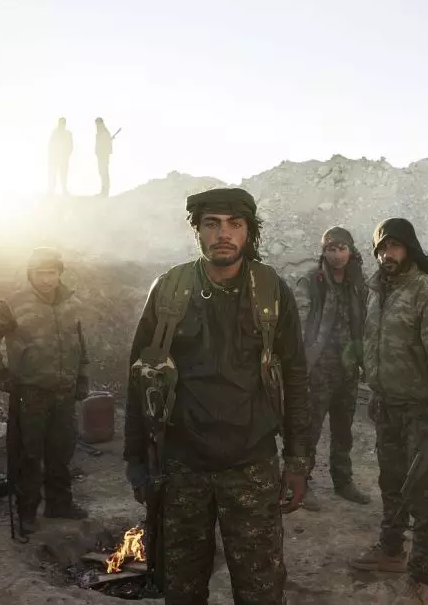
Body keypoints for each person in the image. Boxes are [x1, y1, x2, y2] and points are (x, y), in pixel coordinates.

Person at [124, 187, 311, 604]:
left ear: (249, 232)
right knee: (182, 588)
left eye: (234, 224)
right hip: (182, 467)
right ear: (197, 231)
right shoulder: (170, 290)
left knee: (260, 588)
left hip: (251, 466)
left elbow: (296, 377)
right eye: (212, 224)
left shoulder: (271, 290)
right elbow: (139, 376)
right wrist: (136, 459)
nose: (223, 234)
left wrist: (298, 461)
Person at [348, 218, 428, 605]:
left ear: (409, 248)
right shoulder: (376, 291)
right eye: (380, 248)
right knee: (391, 482)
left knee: (426, 495)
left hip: (422, 412)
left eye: (393, 246)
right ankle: (391, 549)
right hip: (387, 406)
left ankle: (422, 573)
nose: (385, 254)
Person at [0, 247, 91, 533]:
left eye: (51, 272)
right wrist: (2, 372)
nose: (46, 279)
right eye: (40, 273)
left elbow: (79, 343)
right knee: (28, 454)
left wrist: (82, 378)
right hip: (30, 392)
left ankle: (59, 504)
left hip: (63, 392)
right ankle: (27, 512)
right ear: (31, 274)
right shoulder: (14, 304)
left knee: (61, 450)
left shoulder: (70, 303)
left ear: (59, 273)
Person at [294, 226, 370, 511]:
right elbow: (299, 326)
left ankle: (343, 481)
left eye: (341, 248)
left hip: (348, 368)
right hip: (318, 369)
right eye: (330, 249)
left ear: (351, 251)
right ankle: (301, 483)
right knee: (309, 430)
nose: (336, 255)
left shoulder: (358, 282)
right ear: (323, 251)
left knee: (343, 429)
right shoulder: (311, 282)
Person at [48, 117, 73, 195]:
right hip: (56, 157)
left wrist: (67, 154)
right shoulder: (56, 132)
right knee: (54, 173)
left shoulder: (66, 133)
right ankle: (52, 189)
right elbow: (51, 144)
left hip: (62, 157)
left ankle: (63, 189)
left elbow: (70, 146)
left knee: (63, 174)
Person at [94, 117, 112, 197]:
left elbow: (107, 145)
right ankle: (104, 190)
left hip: (103, 156)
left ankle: (105, 191)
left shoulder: (104, 132)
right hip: (100, 156)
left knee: (104, 173)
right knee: (102, 173)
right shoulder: (101, 132)